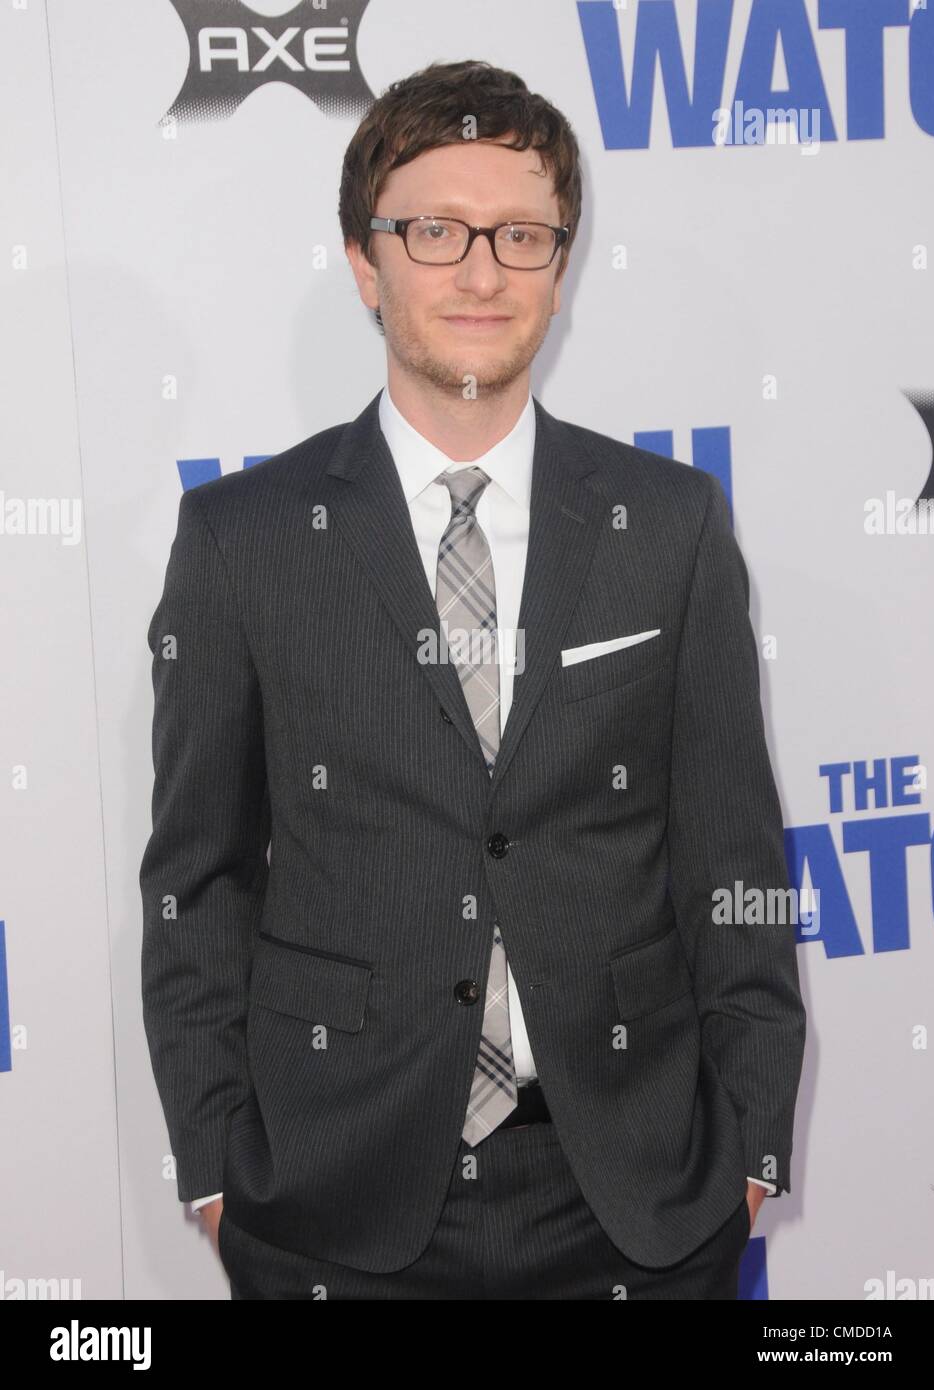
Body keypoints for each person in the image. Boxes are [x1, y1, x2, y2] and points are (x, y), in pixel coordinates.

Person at [140, 59, 806, 1300]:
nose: (482, 271)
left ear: (561, 268)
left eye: (521, 234)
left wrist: (752, 1138)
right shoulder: (245, 540)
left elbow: (735, 862)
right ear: (364, 260)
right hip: (332, 1208)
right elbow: (199, 874)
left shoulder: (668, 525)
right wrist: (216, 1158)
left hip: (636, 1202)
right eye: (435, 230)